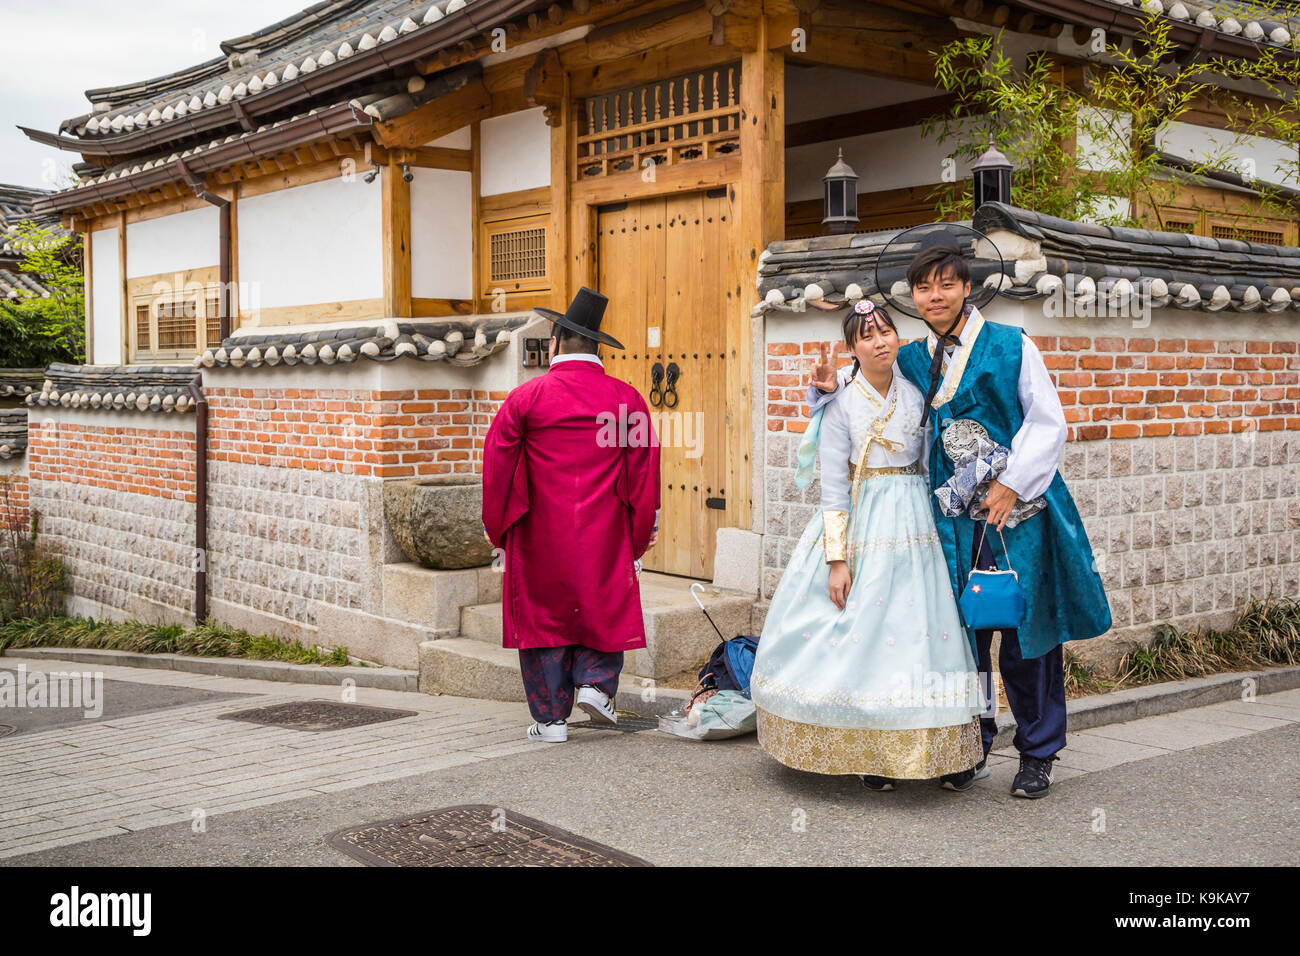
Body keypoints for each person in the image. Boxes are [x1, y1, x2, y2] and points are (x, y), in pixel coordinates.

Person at [809, 243, 1111, 798]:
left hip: (1019, 514)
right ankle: (972, 744)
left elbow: (1048, 423)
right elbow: (864, 385)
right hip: (950, 523)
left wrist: (1011, 483)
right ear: (914, 297)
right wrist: (825, 390)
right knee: (964, 637)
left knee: (1026, 632)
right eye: (924, 288)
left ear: (966, 288)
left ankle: (1038, 751)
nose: (935, 296)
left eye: (946, 284)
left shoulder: (1010, 345)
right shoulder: (912, 356)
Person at [751, 298, 985, 790]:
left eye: (885, 331)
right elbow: (833, 485)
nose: (880, 342)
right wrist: (838, 560)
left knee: (922, 632)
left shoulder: (918, 392)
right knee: (864, 634)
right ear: (852, 348)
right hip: (863, 524)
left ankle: (942, 749)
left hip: (916, 522)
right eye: (867, 336)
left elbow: (929, 462)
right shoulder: (840, 403)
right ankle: (867, 749)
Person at [482, 287, 660, 743]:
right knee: (602, 605)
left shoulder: (525, 399)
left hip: (539, 531)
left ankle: (551, 719)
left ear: (556, 342)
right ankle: (596, 686)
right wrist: (638, 538)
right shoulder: (628, 400)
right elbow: (644, 478)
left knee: (545, 617)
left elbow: (497, 467)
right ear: (597, 347)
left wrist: (498, 529)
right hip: (605, 532)